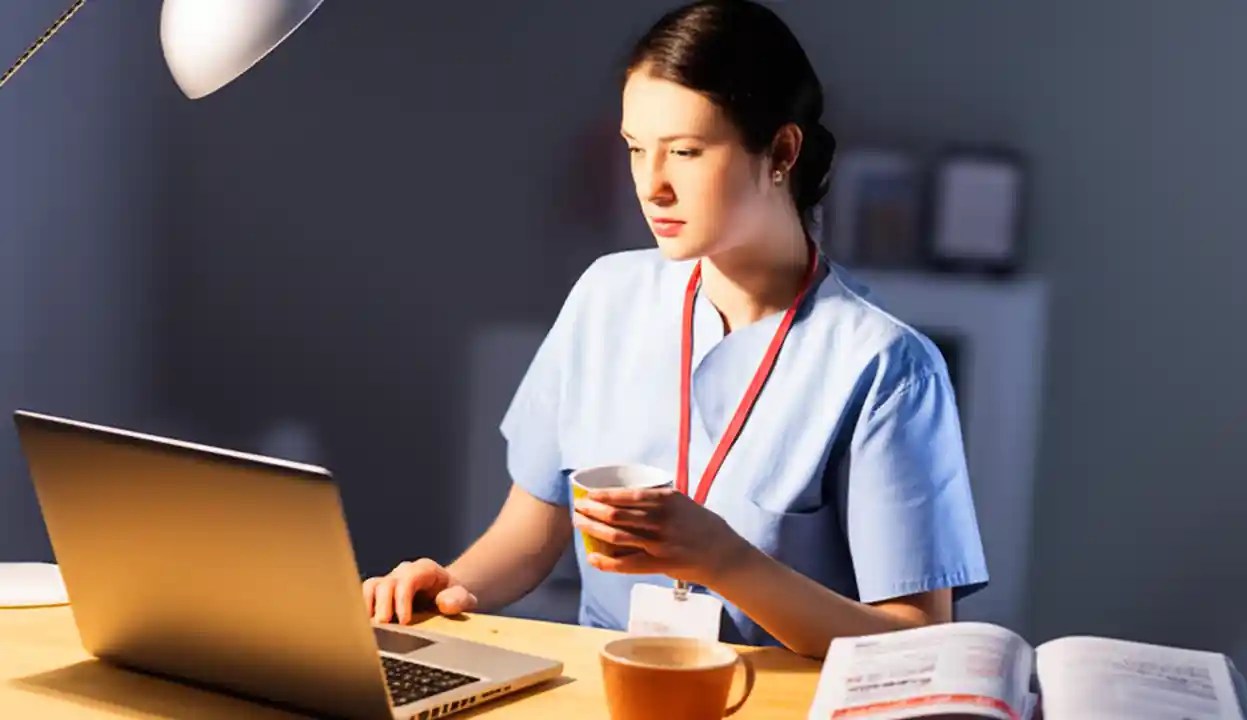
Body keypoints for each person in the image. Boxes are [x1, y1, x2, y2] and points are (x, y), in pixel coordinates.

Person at [363, 0, 987, 659]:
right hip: (604, 692)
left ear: (780, 151)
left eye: (685, 152)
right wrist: (448, 588)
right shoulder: (607, 296)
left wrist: (725, 560)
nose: (651, 186)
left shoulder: (886, 366)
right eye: (636, 149)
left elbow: (919, 640)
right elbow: (530, 537)